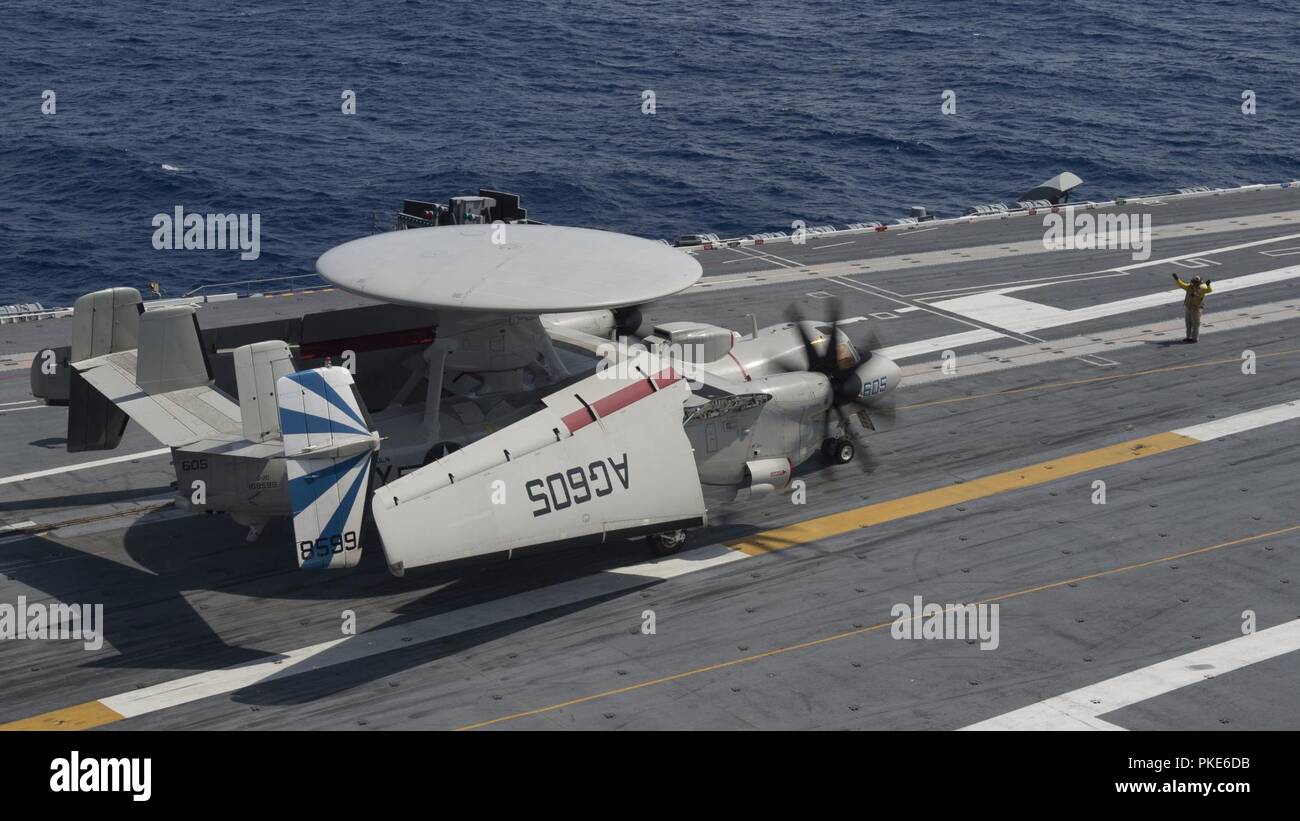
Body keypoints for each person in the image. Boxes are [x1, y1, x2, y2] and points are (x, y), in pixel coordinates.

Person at [1172, 273, 1212, 342]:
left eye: (1196, 281)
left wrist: (1208, 285)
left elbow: (1209, 290)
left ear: (1199, 282)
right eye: (1194, 281)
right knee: (1188, 323)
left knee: (1195, 324)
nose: (1195, 283)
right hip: (1188, 307)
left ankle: (1195, 339)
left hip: (1196, 309)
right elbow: (1182, 284)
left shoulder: (1202, 288)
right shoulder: (1189, 287)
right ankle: (1188, 337)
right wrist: (1177, 279)